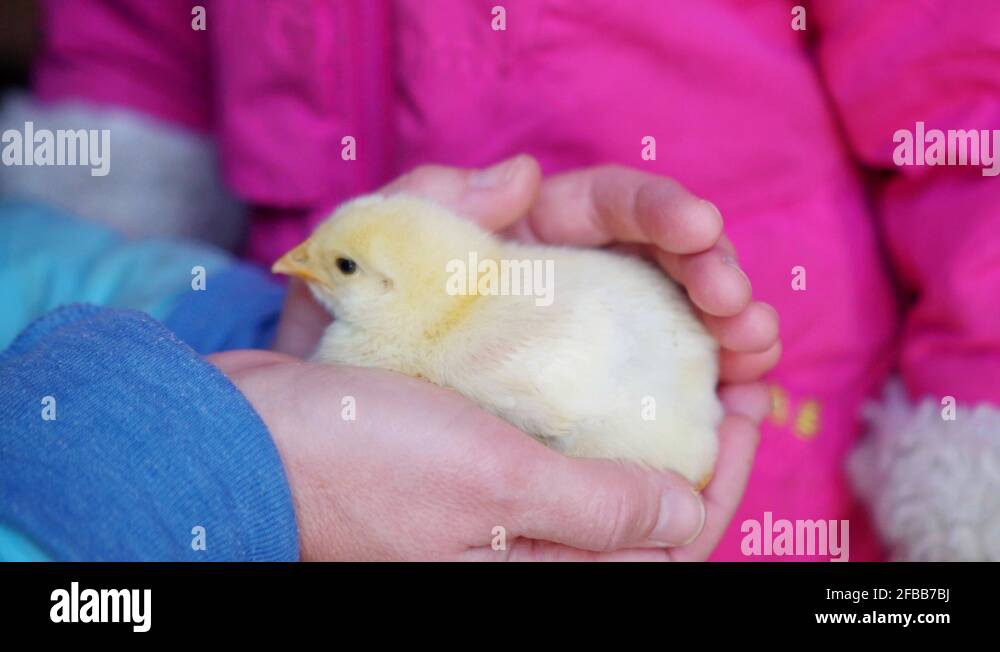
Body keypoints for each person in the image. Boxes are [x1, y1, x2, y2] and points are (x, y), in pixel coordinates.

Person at [3, 0, 997, 561]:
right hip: (330, 445)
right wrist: (205, 373)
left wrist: (975, 419)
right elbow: (136, 45)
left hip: (794, 459)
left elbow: (966, 96)